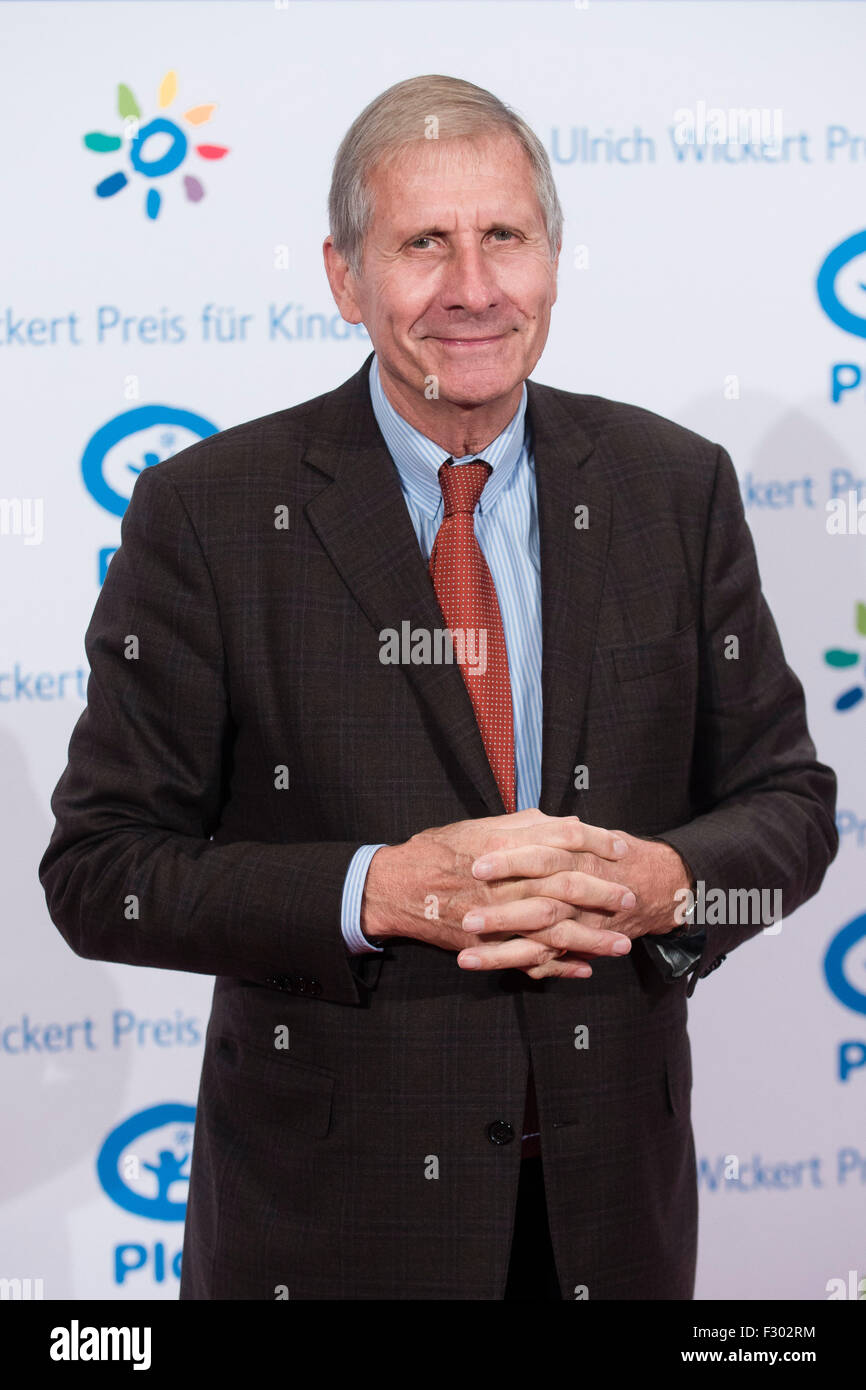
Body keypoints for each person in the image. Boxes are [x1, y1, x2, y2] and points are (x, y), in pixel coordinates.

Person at [39, 74, 838, 1301]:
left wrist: (666, 882)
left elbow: (785, 802)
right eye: (423, 244)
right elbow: (101, 872)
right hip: (326, 1231)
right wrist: (375, 890)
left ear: (552, 262)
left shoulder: (672, 491)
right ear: (344, 276)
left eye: (503, 237)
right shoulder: (207, 514)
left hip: (606, 1219)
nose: (471, 288)